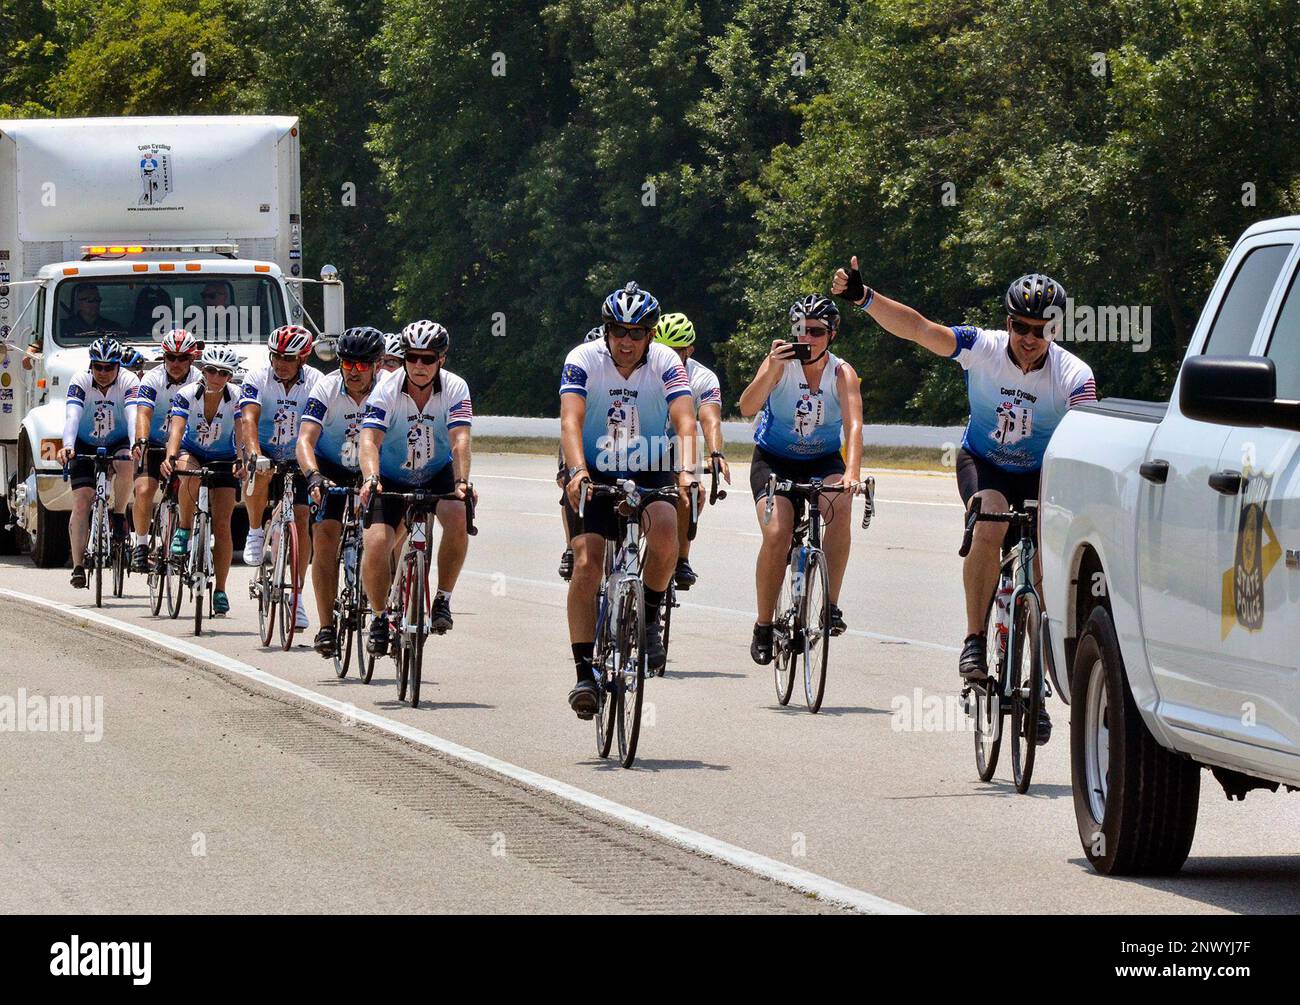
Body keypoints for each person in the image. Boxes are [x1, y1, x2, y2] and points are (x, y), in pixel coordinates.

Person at [831, 257, 1097, 744]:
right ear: (1007, 322)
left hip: (1043, 477)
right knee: (991, 520)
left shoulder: (1075, 376)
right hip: (985, 464)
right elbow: (918, 329)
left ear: (1055, 329)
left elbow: (1086, 444)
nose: (1029, 337)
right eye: (1021, 326)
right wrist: (864, 298)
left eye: (1041, 329)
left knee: (1043, 573)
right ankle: (975, 639)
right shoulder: (983, 348)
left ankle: (1035, 690)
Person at [560, 282, 699, 718]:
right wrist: (578, 470)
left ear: (651, 335)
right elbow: (570, 418)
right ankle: (584, 672)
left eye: (637, 333)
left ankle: (652, 617)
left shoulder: (665, 364)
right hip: (594, 467)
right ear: (606, 330)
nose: (626, 340)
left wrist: (689, 470)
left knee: (664, 534)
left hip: (650, 462)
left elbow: (685, 419)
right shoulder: (582, 360)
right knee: (587, 563)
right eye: (619, 330)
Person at [738, 295, 864, 665]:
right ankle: (763, 623)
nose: (807, 338)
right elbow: (746, 408)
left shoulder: (842, 373)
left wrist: (852, 473)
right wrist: (769, 372)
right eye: (800, 330)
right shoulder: (779, 362)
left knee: (841, 506)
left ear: (832, 335)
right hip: (773, 459)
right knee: (777, 533)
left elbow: (854, 426)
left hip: (822, 460)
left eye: (816, 331)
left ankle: (831, 606)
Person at [358, 320, 475, 653]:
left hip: (437, 469)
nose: (419, 365)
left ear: (441, 359)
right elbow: (370, 438)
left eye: (428, 358)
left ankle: (442, 599)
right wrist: (370, 477)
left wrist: (463, 481)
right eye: (412, 357)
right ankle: (379, 617)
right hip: (392, 473)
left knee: (457, 515)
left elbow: (460, 438)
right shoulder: (386, 388)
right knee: (378, 542)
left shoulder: (455, 388)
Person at [297, 326, 386, 657]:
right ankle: (325, 627)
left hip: (373, 470)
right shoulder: (327, 387)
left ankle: (383, 610)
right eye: (347, 363)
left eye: (362, 365)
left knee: (384, 537)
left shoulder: (389, 389)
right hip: (331, 468)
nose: (353, 371)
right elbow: (305, 438)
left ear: (377, 365)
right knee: (325, 538)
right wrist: (314, 476)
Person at [239, 324, 322, 631]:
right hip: (266, 450)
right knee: (258, 474)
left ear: (303, 358)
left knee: (302, 520)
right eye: (276, 356)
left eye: (288, 358)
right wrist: (254, 453)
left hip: (299, 455)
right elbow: (248, 416)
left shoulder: (317, 381)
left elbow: (319, 425)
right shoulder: (257, 377)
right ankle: (255, 530)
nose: (281, 363)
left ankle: (297, 597)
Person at [161, 344, 244, 615]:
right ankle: (184, 528)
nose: (216, 378)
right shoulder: (187, 394)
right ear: (202, 371)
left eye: (223, 373)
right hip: (192, 451)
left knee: (222, 525)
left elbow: (242, 434)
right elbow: (177, 428)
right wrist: (170, 456)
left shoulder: (237, 398)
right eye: (210, 371)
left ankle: (220, 589)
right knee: (188, 471)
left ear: (230, 377)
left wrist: (242, 460)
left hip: (224, 456)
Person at [652, 311, 729, 590]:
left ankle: (682, 558)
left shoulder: (703, 377)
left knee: (690, 490)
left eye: (677, 351)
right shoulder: (643, 370)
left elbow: (710, 418)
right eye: (663, 350)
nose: (670, 357)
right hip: (644, 441)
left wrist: (716, 452)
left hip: (680, 443)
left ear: (690, 350)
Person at [57, 335, 140, 589]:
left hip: (117, 440)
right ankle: (79, 565)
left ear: (118, 366)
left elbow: (133, 413)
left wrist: (136, 442)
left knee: (126, 465)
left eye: (109, 367)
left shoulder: (129, 380)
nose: (103, 372)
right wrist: (68, 446)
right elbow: (72, 415)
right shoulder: (80, 380)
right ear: (91, 365)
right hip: (84, 440)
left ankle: (117, 516)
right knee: (82, 501)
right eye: (98, 366)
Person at [129, 329, 202, 572]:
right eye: (171, 357)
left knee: (188, 484)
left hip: (184, 445)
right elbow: (143, 413)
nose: (176, 363)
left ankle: (184, 538)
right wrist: (140, 440)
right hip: (155, 442)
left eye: (182, 358)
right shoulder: (152, 379)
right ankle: (140, 544)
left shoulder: (199, 380)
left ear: (191, 359)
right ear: (164, 357)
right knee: (144, 489)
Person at [557, 325, 606, 581]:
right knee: (570, 492)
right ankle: (569, 546)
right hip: (581, 444)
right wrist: (570, 470)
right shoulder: (582, 375)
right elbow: (569, 425)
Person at [60, 285, 126, 338]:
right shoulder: (65, 328)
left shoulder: (113, 327)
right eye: (90, 300)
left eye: (97, 300)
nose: (95, 304)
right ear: (78, 303)